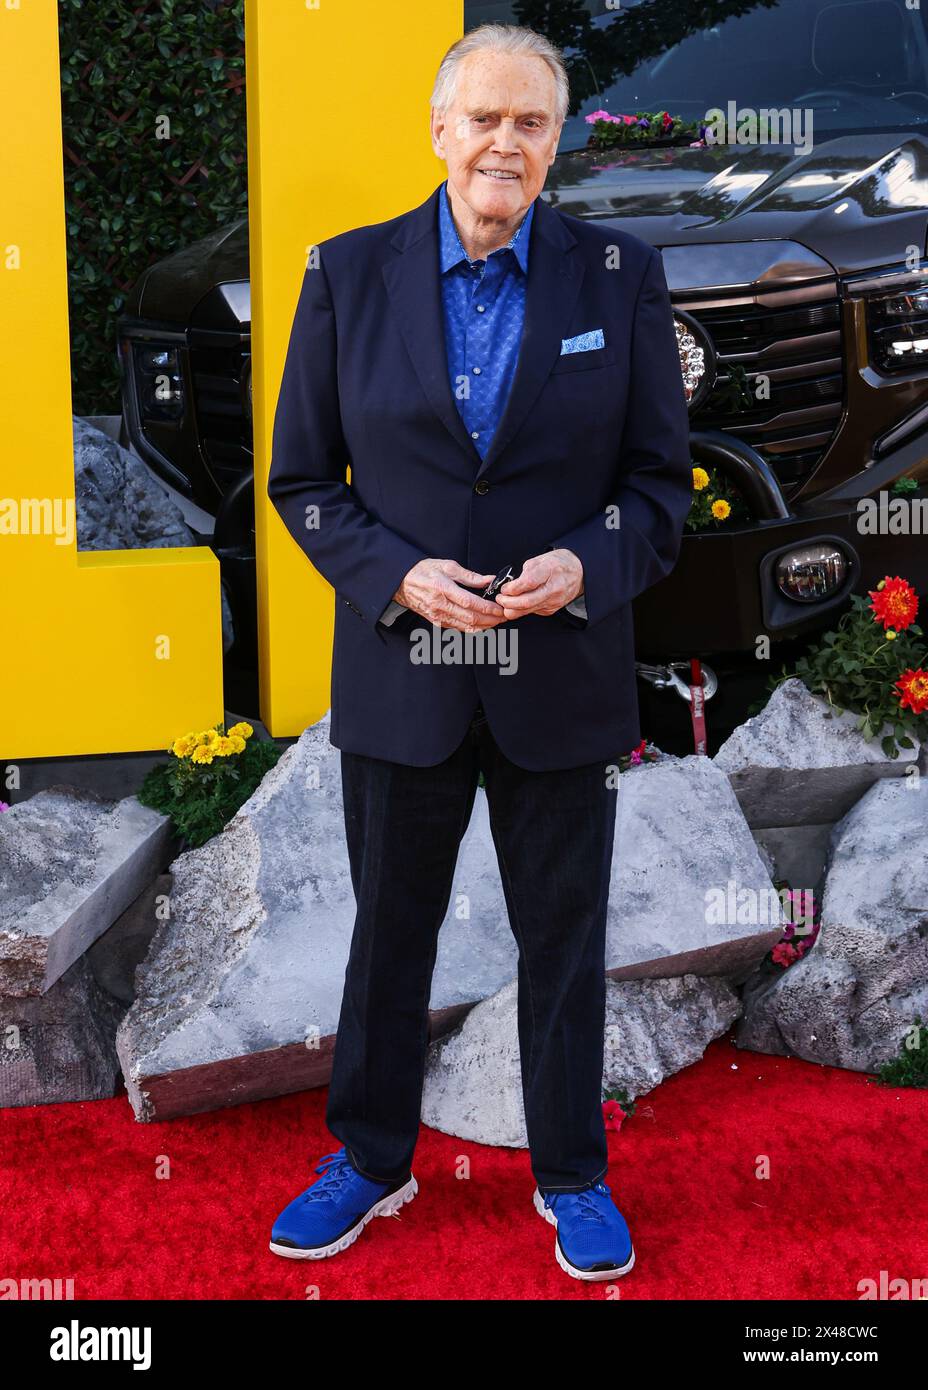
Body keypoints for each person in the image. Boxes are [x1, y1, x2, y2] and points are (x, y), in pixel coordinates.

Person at [266, 21, 691, 1281]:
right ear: (439, 129)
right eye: (485, 118)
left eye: (533, 122)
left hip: (560, 670)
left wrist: (589, 563)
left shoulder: (619, 277)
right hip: (405, 672)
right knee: (389, 928)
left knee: (562, 932)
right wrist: (392, 571)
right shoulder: (348, 274)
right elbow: (300, 482)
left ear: (557, 142)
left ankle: (570, 1172)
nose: (506, 141)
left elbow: (659, 485)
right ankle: (369, 1157)